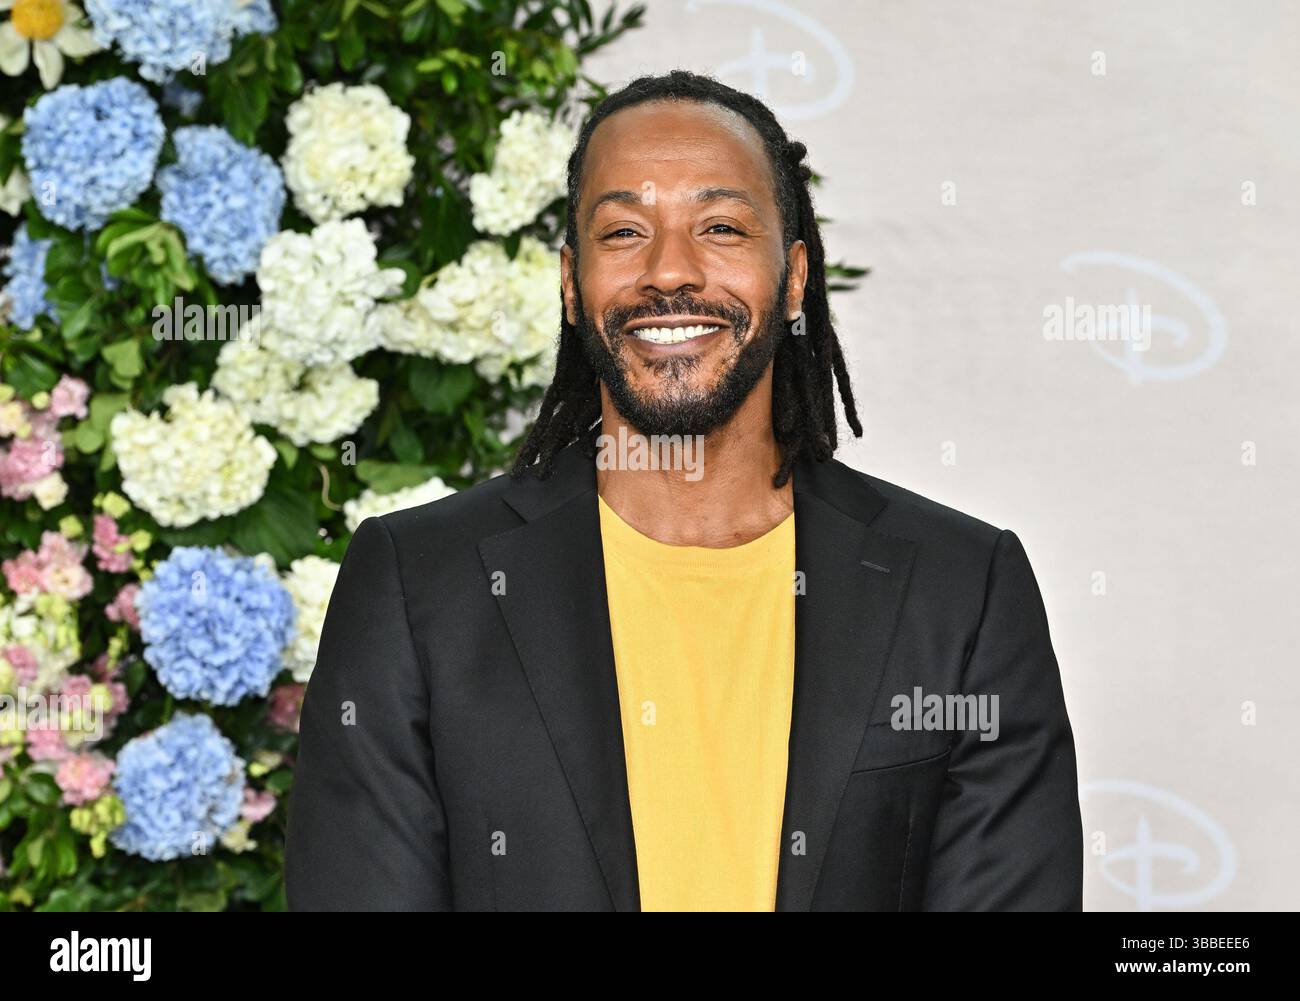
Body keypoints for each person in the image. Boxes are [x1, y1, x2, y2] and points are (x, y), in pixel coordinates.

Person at [285, 70, 1083, 911]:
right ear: (570, 281)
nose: (671, 270)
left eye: (722, 226)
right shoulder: (418, 585)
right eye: (625, 230)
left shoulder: (961, 590)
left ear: (796, 274)